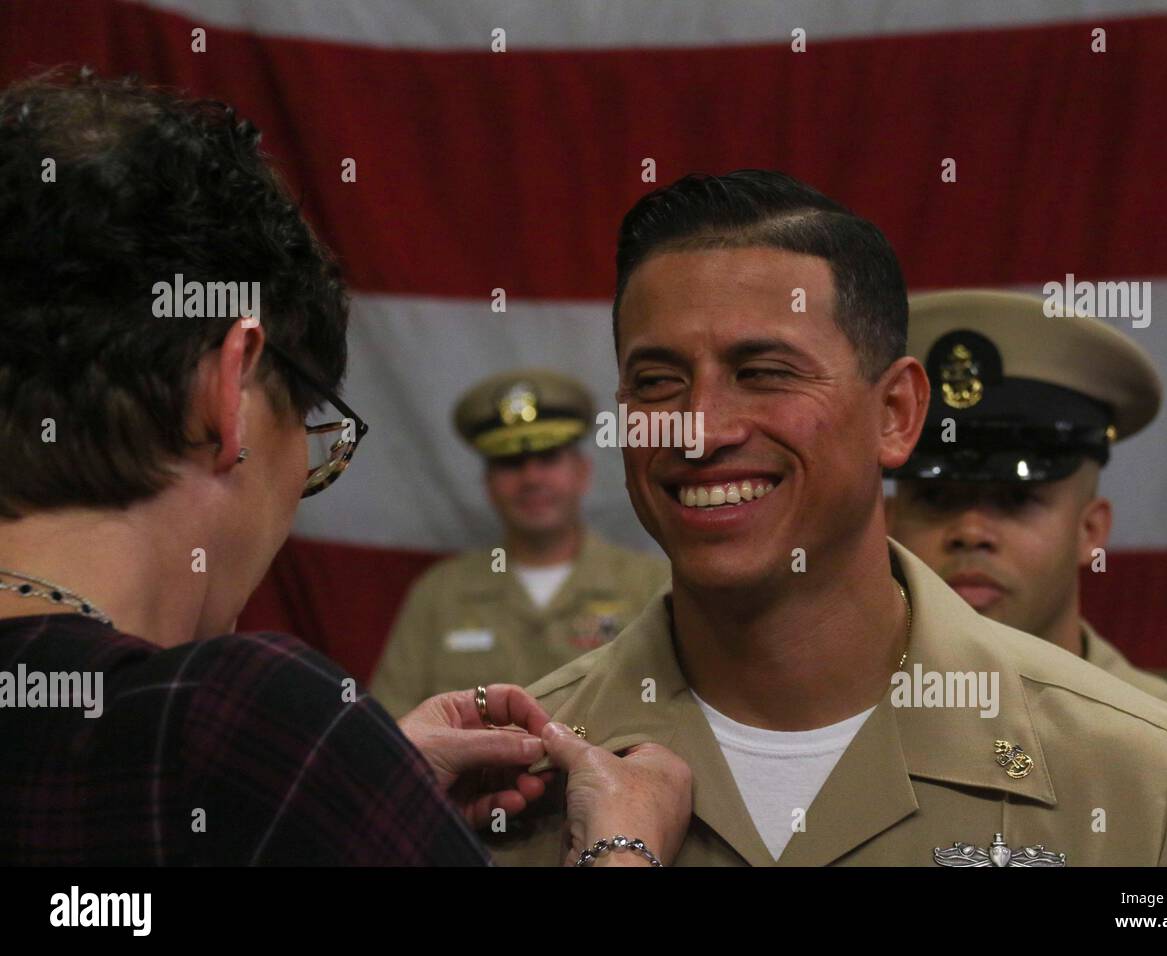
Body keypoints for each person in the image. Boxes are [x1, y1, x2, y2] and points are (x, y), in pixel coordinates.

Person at [485, 169, 1167, 866]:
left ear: (896, 414)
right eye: (657, 383)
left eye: (764, 373)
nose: (701, 427)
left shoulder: (1144, 782)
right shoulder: (507, 785)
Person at [0, 69, 689, 867]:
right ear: (229, 395)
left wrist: (359, 789)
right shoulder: (243, 722)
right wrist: (624, 846)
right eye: (312, 431)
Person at [886, 289, 1167, 864]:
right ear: (886, 520)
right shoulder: (820, 736)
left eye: (1017, 499)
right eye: (935, 497)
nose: (971, 531)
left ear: (1090, 531)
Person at [372, 369, 668, 713]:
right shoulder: (439, 595)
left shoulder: (652, 588)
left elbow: (686, 715)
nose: (531, 478)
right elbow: (391, 729)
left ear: (582, 472)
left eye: (549, 458)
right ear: (488, 483)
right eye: (511, 463)